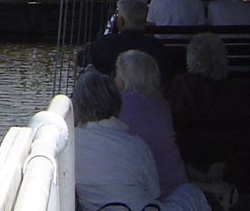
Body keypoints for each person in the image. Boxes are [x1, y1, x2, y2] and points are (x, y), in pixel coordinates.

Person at [72, 68, 210, 211]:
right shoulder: (136, 144)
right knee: (192, 192)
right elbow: (154, 191)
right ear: (115, 103)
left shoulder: (72, 144)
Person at [164, 33, 250, 194]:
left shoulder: (177, 87)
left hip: (186, 162)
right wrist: (222, 163)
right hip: (230, 167)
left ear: (191, 58)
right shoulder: (239, 91)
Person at [115, 50, 189, 197]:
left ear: (124, 79)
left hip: (145, 190)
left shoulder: (118, 105)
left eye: (116, 74)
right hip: (176, 186)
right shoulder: (163, 105)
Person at [78, 0, 174, 81]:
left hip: (114, 97)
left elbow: (80, 59)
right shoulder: (158, 46)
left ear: (121, 22)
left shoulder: (105, 44)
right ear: (146, 22)